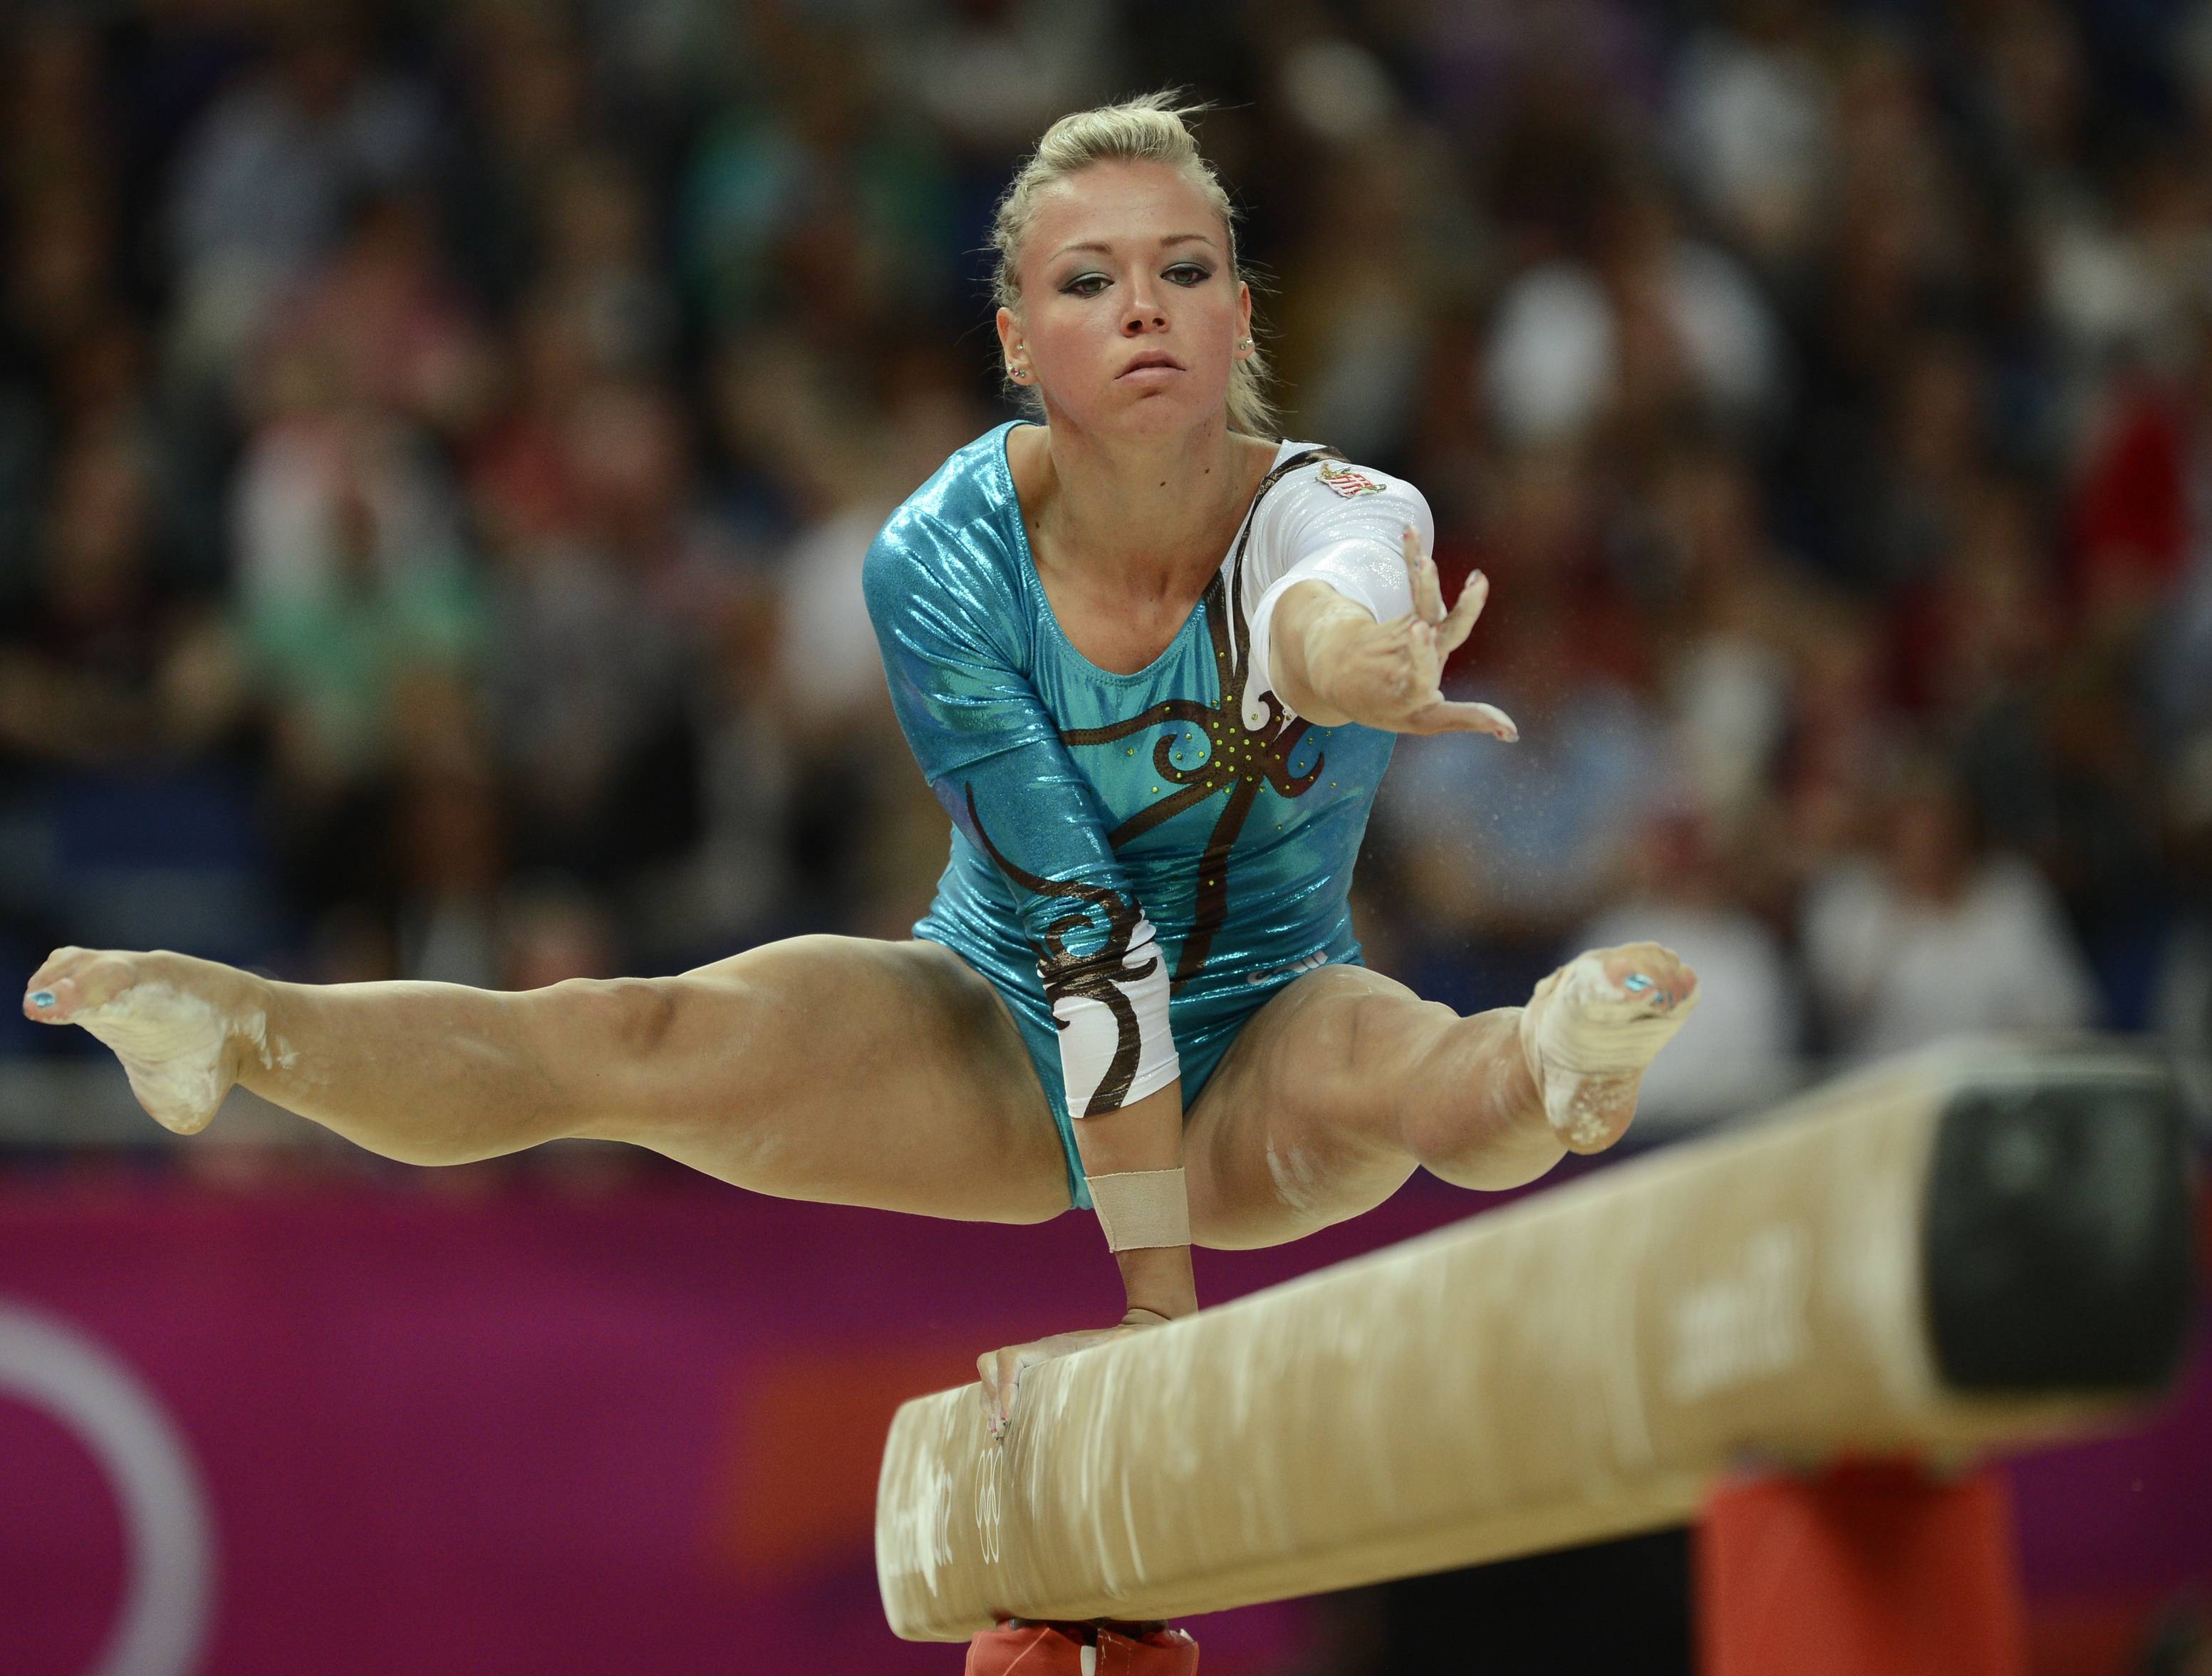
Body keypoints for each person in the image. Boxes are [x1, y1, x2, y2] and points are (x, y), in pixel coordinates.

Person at [20, 94, 1696, 1440]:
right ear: (1016, 335)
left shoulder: (1343, 507)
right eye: (1088, 280)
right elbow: (1079, 919)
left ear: (1240, 310)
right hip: (989, 1017)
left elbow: (1325, 604)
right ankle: (236, 1024)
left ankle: (1547, 1067)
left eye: (1183, 271)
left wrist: (1360, 662)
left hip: (1261, 1028)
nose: (1141, 312)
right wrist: (1152, 1317)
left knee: (1391, 1069)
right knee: (632, 1033)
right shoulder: (938, 555)